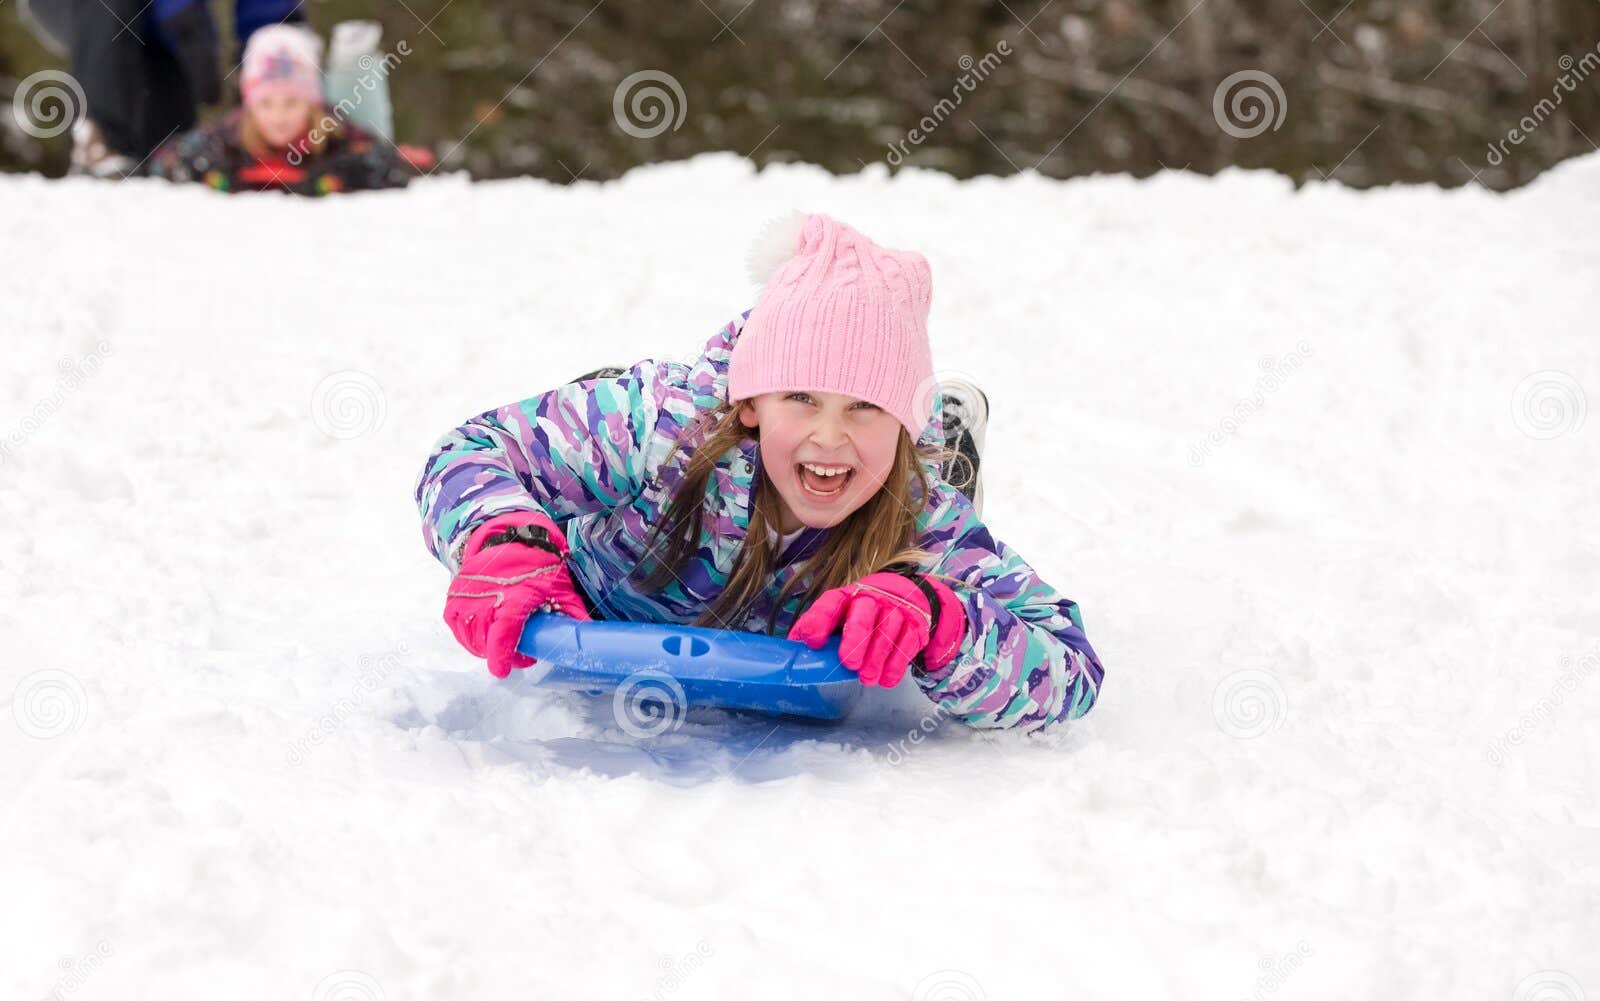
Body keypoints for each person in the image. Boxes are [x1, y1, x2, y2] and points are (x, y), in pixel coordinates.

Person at [413, 213, 1104, 733]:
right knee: (592, 444)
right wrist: (504, 539)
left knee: (921, 492)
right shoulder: (658, 422)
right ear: (751, 402)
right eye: (800, 397)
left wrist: (940, 617)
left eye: (867, 407)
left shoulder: (921, 517)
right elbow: (473, 451)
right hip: (629, 532)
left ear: (901, 420)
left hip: (902, 479)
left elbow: (1069, 667)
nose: (829, 435)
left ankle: (944, 439)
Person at [19, 0, 304, 175]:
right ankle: (102, 142)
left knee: (167, 154)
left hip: (155, 18)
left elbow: (267, 9)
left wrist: (275, 56)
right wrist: (185, 18)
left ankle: (158, 158)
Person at [145, 24, 413, 194]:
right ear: (250, 106)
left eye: (291, 103)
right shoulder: (229, 135)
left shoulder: (336, 131)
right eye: (266, 103)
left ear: (312, 104)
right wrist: (212, 167)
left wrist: (339, 173)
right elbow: (163, 161)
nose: (278, 116)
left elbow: (389, 164)